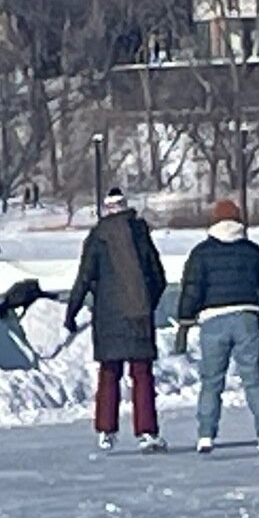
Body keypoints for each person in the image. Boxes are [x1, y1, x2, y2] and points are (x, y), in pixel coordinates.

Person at [63, 186, 169, 452]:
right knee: (142, 374)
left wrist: (71, 312)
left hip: (108, 317)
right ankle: (146, 431)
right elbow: (158, 276)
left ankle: (106, 430)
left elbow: (84, 277)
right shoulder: (140, 233)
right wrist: (147, 302)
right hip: (138, 315)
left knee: (109, 373)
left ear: (106, 208)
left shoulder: (98, 237)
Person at [177, 199, 259, 454]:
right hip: (246, 317)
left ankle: (206, 435)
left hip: (213, 320)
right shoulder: (251, 250)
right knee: (253, 379)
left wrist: (185, 317)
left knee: (211, 381)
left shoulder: (201, 253)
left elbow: (192, 288)